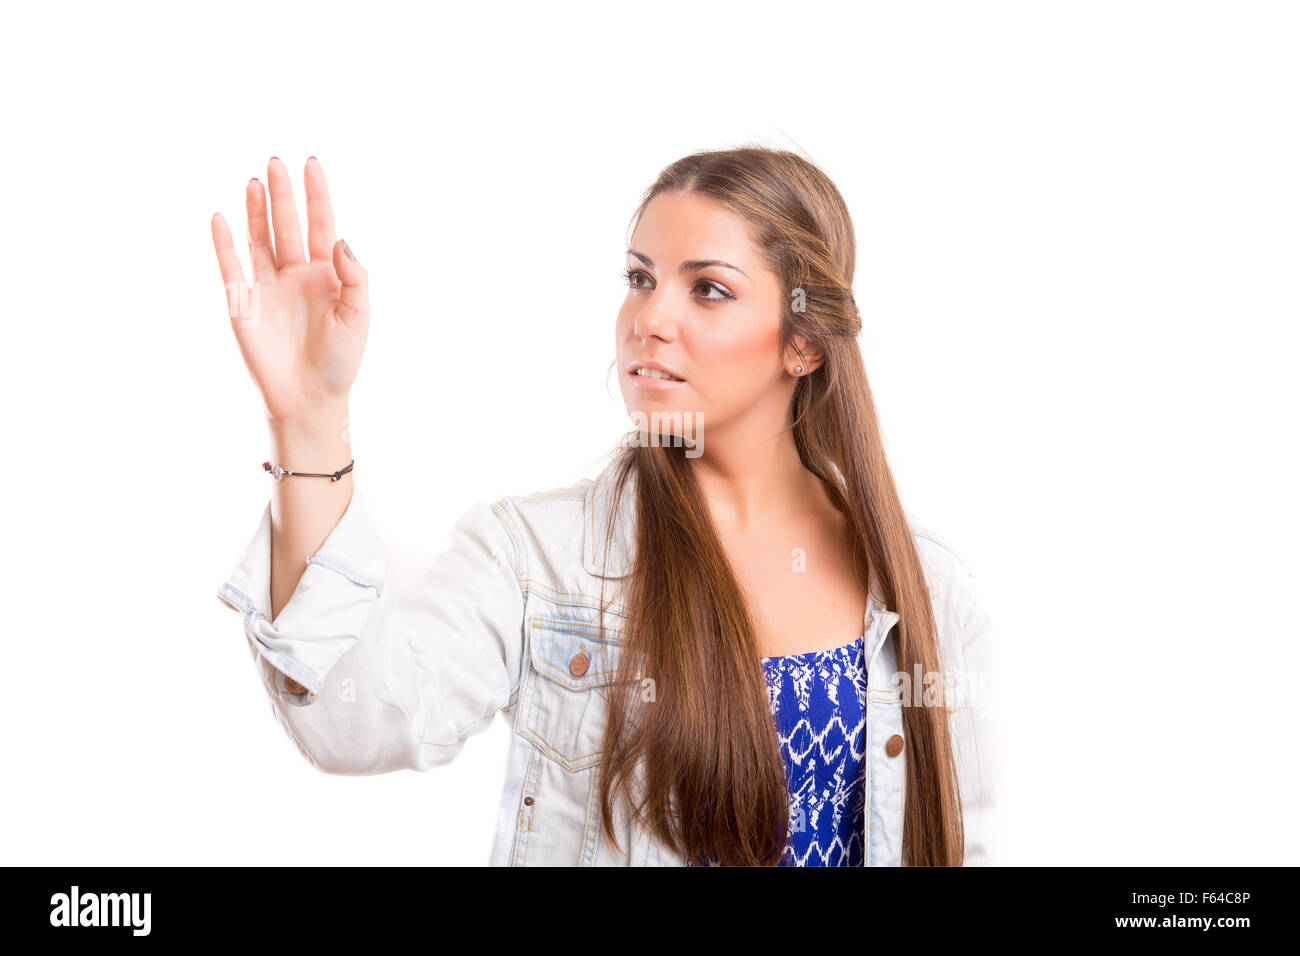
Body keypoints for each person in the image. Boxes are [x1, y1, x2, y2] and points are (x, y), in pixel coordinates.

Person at [210, 147, 996, 866]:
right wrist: (309, 418)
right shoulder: (539, 558)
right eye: (640, 278)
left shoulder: (925, 584)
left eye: (709, 289)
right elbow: (359, 722)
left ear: (804, 344)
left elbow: (968, 841)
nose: (649, 319)